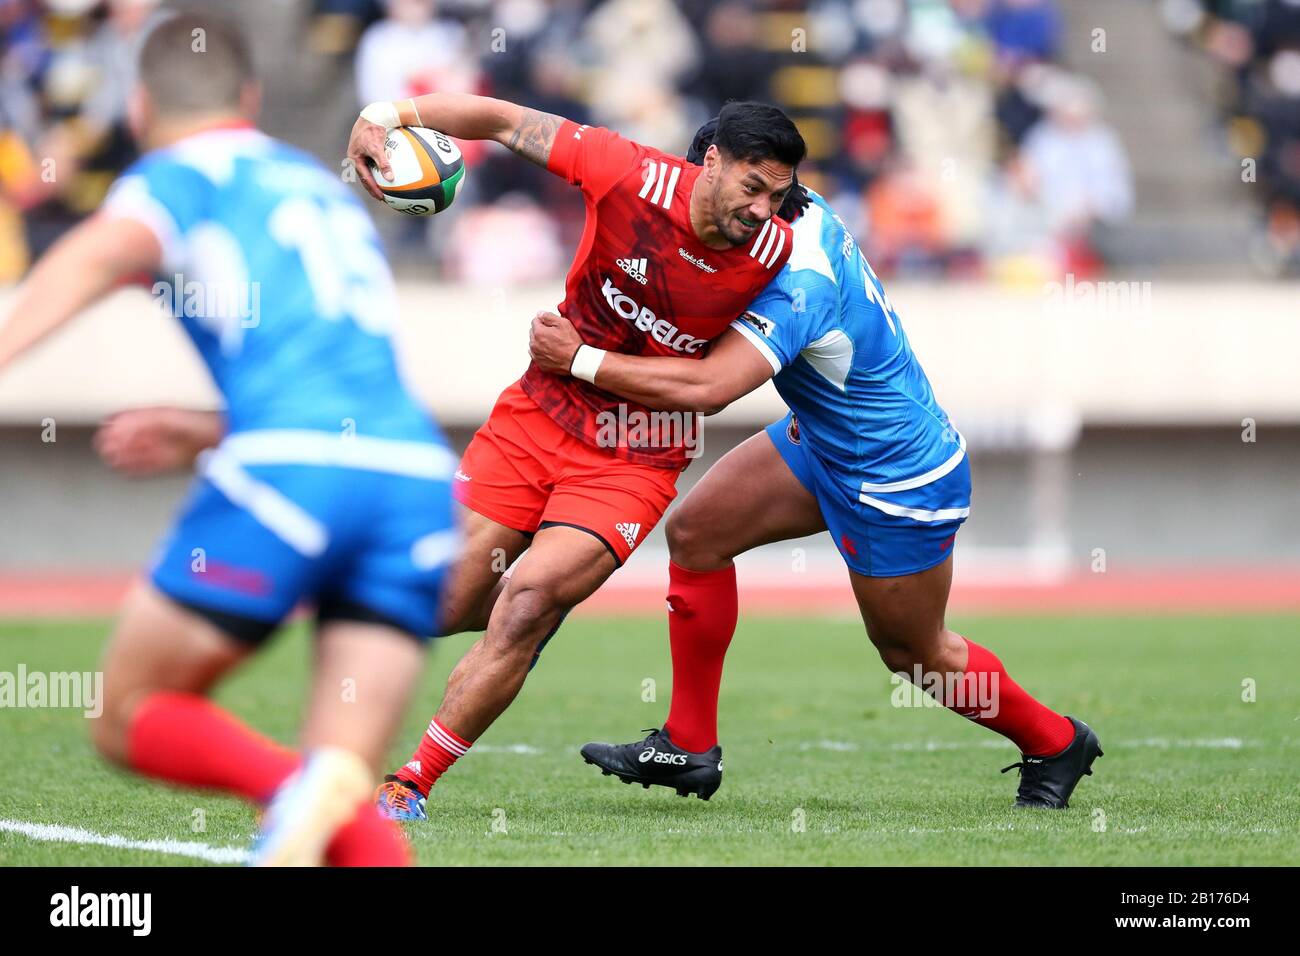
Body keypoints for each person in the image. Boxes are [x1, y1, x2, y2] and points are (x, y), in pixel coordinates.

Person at [0, 13, 457, 864]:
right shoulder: (319, 187)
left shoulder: (177, 175)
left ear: (140, 107)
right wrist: (217, 429)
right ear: (250, 98)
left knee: (128, 711)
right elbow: (336, 363)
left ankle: (290, 787)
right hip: (413, 479)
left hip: (294, 474)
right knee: (343, 812)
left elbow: (95, 256)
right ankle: (313, 793)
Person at [528, 132, 1102, 809]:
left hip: (896, 478)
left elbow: (710, 389)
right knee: (698, 534)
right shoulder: (794, 212)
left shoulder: (796, 280)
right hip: (825, 440)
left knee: (914, 654)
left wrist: (581, 359)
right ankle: (689, 745)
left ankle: (1057, 741)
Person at [343, 93, 804, 819]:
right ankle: (513, 613)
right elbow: (500, 121)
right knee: (445, 603)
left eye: (778, 197)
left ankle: (408, 785)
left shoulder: (786, 250)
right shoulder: (624, 172)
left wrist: (584, 359)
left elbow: (721, 385)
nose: (761, 211)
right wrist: (390, 113)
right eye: (752, 189)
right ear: (711, 161)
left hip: (636, 457)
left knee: (526, 603)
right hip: (536, 419)